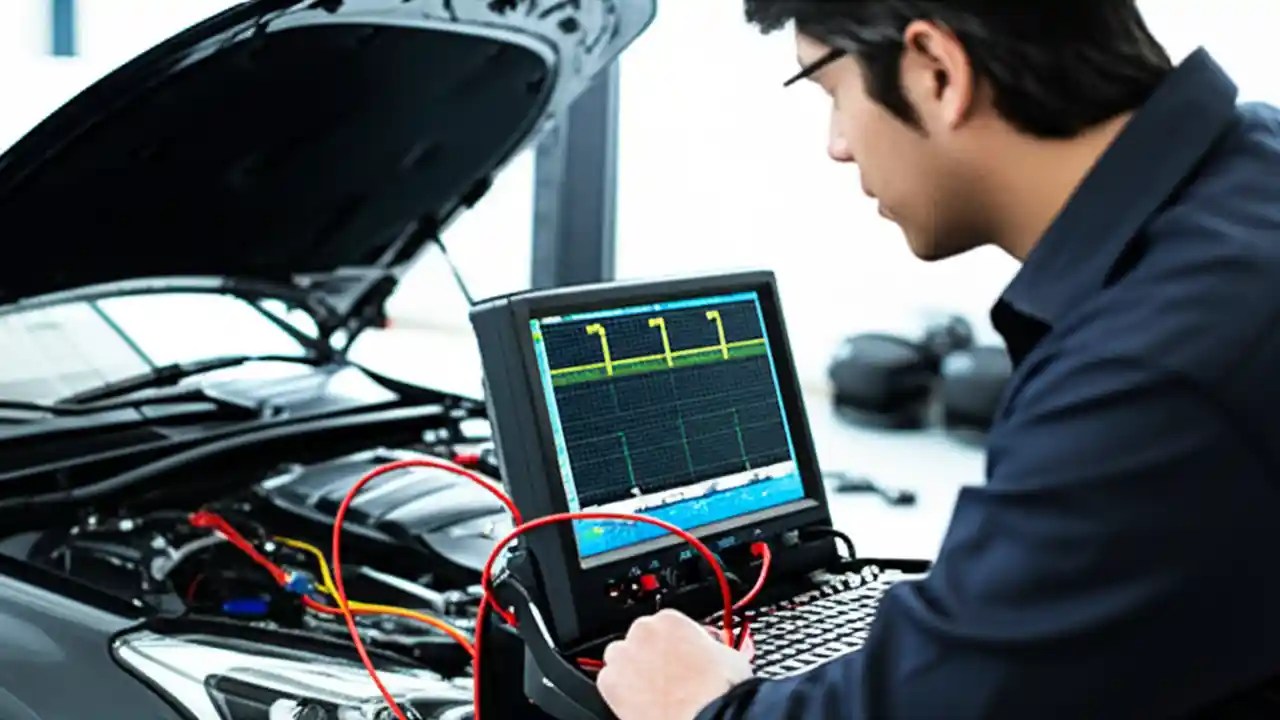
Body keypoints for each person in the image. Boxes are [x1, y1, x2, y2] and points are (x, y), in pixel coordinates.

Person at [594, 1, 1280, 718]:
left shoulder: (1153, 366)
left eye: (830, 90)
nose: (837, 145)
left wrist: (700, 704)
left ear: (936, 71)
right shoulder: (1250, 173)